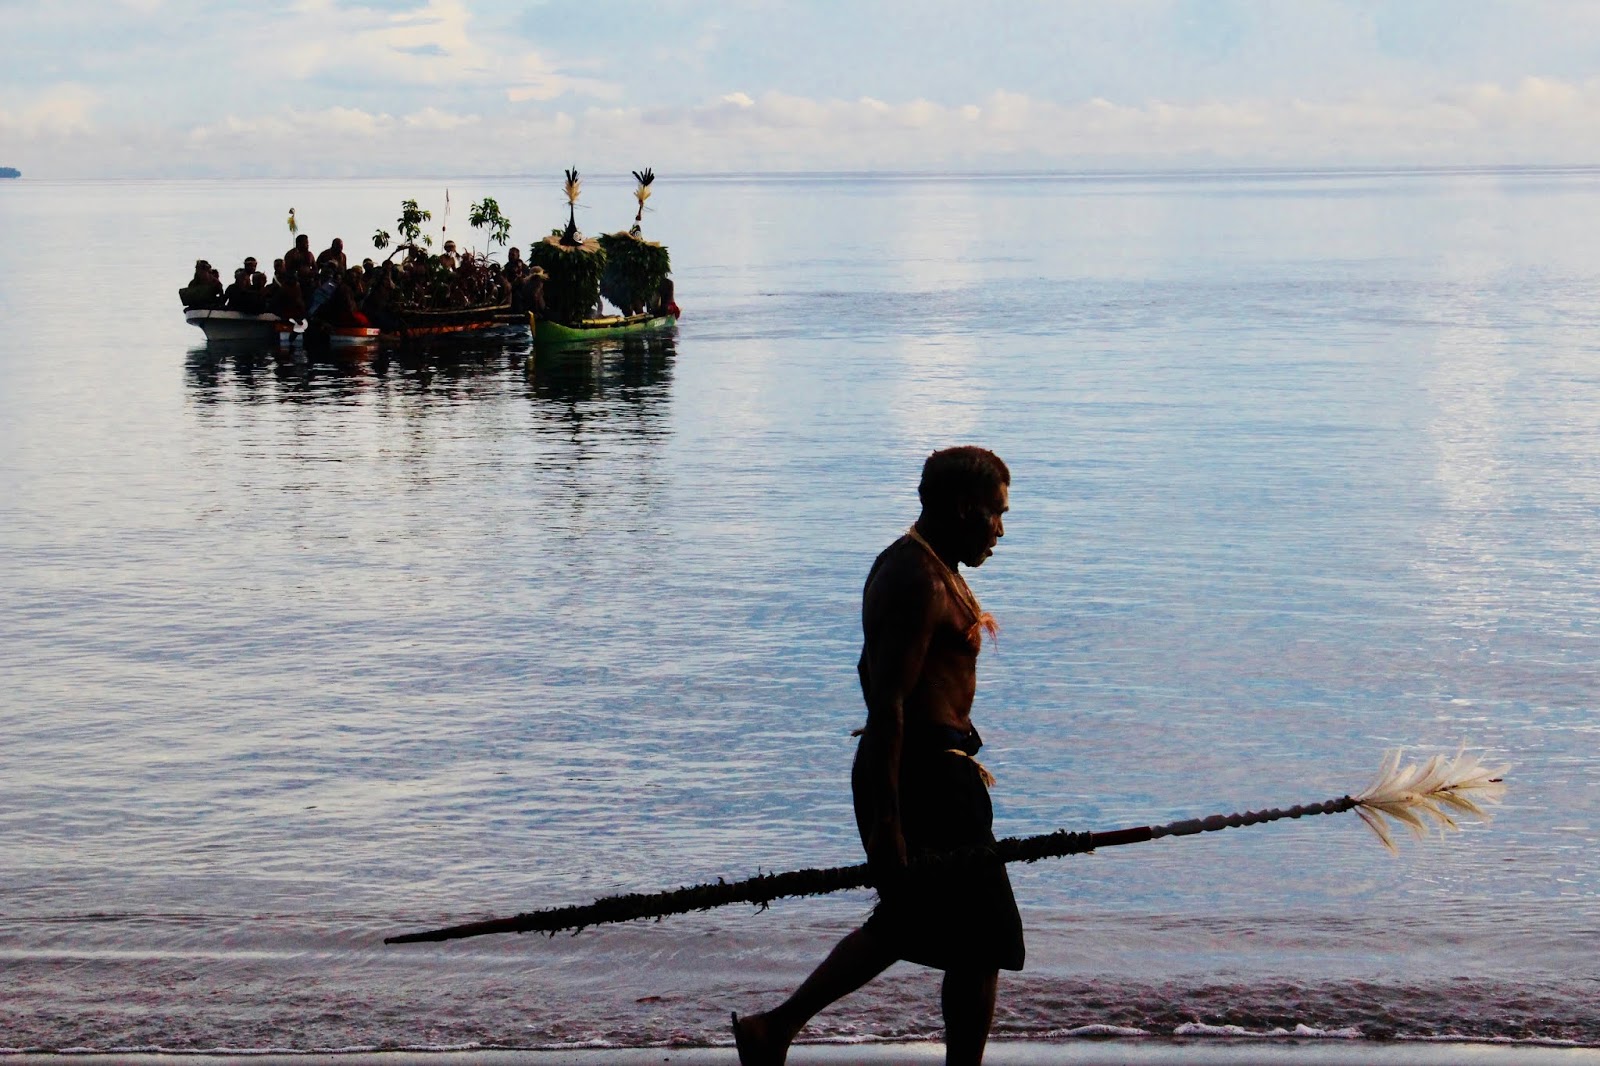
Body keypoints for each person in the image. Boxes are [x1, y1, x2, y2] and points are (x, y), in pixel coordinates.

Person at [732, 447, 1019, 1066]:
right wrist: (887, 825)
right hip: (926, 778)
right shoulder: (916, 578)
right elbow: (887, 706)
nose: (1000, 529)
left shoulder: (932, 566)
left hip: (942, 772)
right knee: (981, 937)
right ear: (963, 508)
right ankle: (776, 1028)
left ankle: (774, 1030)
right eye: (995, 513)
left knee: (916, 921)